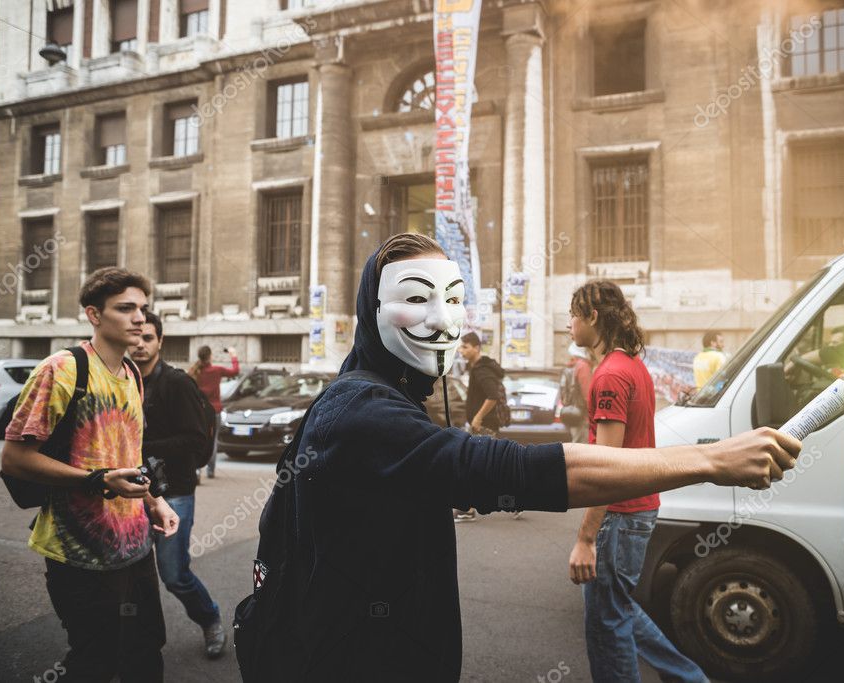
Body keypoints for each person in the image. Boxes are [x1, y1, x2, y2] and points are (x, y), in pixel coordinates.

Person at [246, 233, 799, 681]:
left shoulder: (380, 394)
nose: (442, 319)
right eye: (416, 298)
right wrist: (709, 462)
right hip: (347, 663)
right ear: (373, 309)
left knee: (616, 612)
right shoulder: (362, 409)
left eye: (455, 298)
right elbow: (511, 470)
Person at [0, 267, 179, 682]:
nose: (140, 318)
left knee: (145, 650)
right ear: (94, 315)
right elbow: (14, 459)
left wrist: (155, 501)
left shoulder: (132, 373)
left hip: (135, 547)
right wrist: (96, 480)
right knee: (94, 660)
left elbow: (130, 454)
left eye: (143, 308)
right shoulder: (62, 369)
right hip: (79, 551)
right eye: (126, 308)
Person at [567, 281, 707, 683]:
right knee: (618, 609)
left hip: (619, 515)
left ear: (593, 317)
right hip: (639, 508)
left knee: (606, 627)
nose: (569, 325)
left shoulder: (610, 374)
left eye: (574, 315)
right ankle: (689, 678)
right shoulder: (632, 366)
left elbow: (608, 470)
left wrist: (586, 538)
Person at [131, 311, 227, 658]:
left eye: (149, 338)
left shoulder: (175, 383)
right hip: (130, 494)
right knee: (129, 577)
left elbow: (195, 439)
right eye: (136, 337)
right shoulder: (122, 380)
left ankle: (211, 618)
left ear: (160, 341)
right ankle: (131, 644)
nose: (140, 345)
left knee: (173, 574)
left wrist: (141, 448)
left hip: (175, 492)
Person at [455, 331, 510, 521]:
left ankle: (468, 509)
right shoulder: (477, 367)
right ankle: (515, 499)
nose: (461, 350)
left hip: (483, 426)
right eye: (461, 346)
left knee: (473, 465)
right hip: (481, 425)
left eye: (465, 347)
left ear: (476, 348)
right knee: (487, 465)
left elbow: (493, 396)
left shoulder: (481, 370)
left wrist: (477, 418)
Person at [188, 344, 239, 478]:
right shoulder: (217, 370)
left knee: (198, 439)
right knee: (213, 440)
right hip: (214, 410)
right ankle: (210, 471)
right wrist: (233, 355)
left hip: (199, 410)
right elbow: (235, 371)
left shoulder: (194, 371)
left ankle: (197, 471)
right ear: (210, 356)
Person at [561, 342, 593, 443]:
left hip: (573, 413)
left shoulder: (571, 367)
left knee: (576, 443)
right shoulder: (583, 366)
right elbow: (588, 395)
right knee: (583, 448)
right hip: (583, 417)